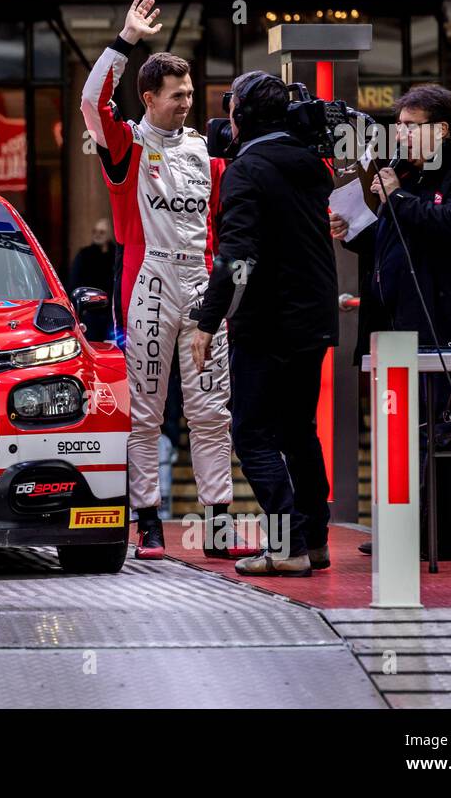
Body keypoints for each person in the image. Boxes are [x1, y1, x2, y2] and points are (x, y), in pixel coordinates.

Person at [80, 0, 248, 562]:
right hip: (147, 286)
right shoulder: (127, 143)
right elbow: (89, 100)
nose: (186, 102)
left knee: (211, 410)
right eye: (176, 95)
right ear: (148, 98)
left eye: (190, 94)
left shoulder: (208, 149)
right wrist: (125, 40)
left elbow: (230, 221)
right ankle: (147, 521)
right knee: (146, 410)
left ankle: (218, 521)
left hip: (202, 289)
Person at [331, 84, 451, 557]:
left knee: (445, 432)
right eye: (399, 127)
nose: (400, 136)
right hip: (398, 330)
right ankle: (403, 527)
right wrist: (356, 233)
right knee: (400, 436)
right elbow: (401, 243)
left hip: (447, 329)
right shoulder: (413, 177)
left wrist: (398, 200)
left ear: (441, 129)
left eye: (409, 127)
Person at [191, 70, 338, 577]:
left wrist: (208, 321)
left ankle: (287, 547)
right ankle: (315, 542)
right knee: (299, 431)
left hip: (269, 322)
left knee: (253, 433)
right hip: (313, 319)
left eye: (231, 109)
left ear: (243, 117)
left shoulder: (246, 170)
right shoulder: (311, 163)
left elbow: (236, 256)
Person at [68, 217, 115, 341]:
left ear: (109, 234)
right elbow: (74, 282)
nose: (97, 235)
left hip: (110, 314)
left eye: (102, 232)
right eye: (95, 231)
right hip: (89, 313)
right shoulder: (85, 254)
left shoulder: (116, 255)